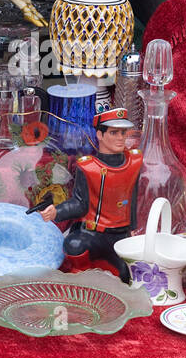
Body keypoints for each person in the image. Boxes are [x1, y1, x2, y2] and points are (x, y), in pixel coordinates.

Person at [40, 108, 142, 281]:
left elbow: (132, 199)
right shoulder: (88, 167)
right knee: (73, 244)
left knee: (126, 276)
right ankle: (83, 276)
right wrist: (57, 212)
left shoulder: (134, 162)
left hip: (120, 234)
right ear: (100, 135)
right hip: (93, 234)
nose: (120, 138)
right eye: (114, 132)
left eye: (123, 132)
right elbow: (80, 203)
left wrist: (132, 228)